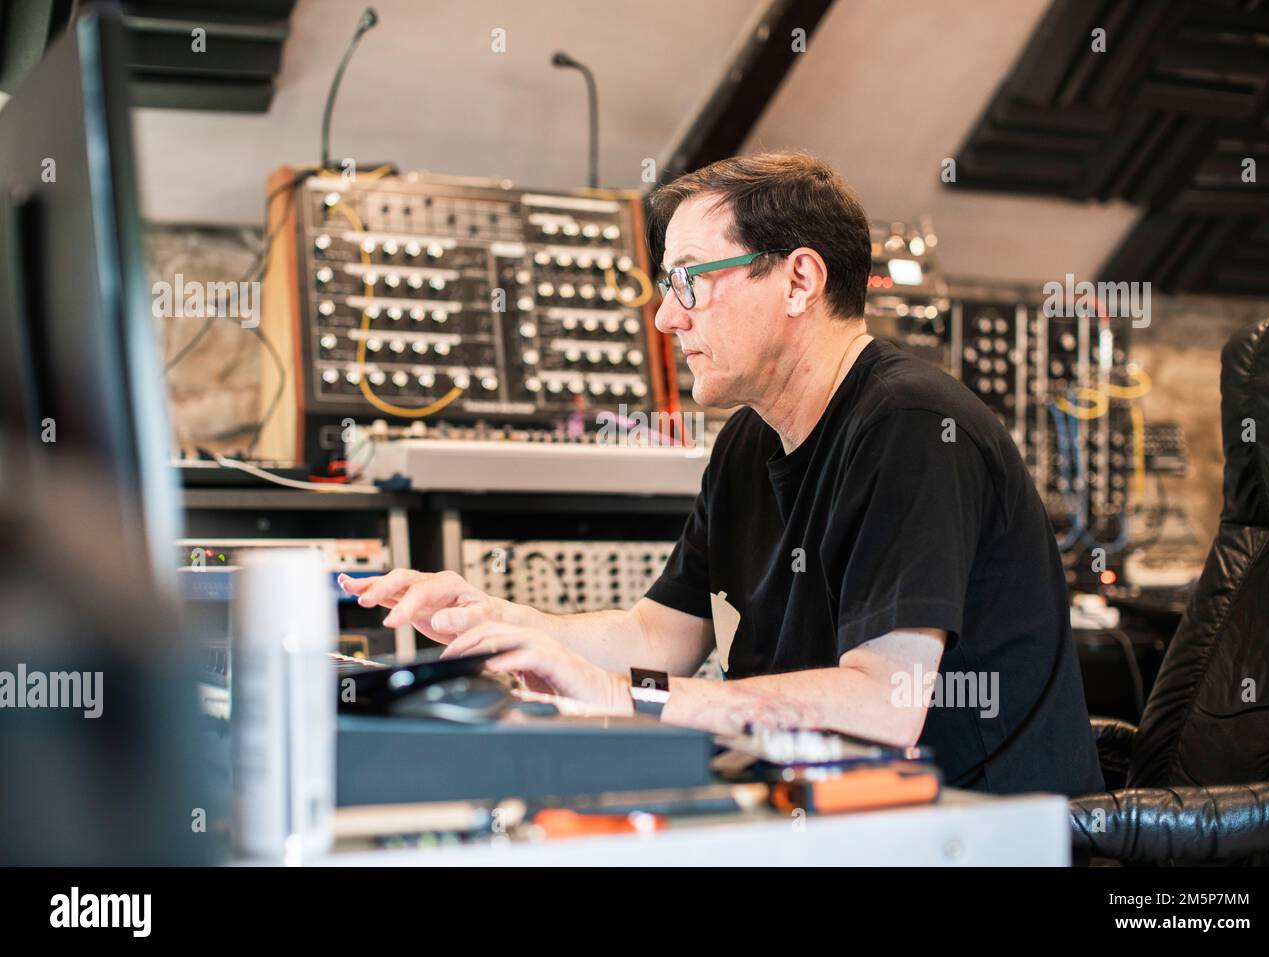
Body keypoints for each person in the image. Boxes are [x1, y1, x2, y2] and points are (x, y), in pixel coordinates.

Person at [340, 151, 1104, 796]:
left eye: (689, 280)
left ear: (800, 281)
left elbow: (884, 701)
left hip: (974, 834)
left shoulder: (912, 427)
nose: (667, 319)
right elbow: (657, 636)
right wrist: (501, 620)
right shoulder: (747, 442)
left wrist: (621, 696)